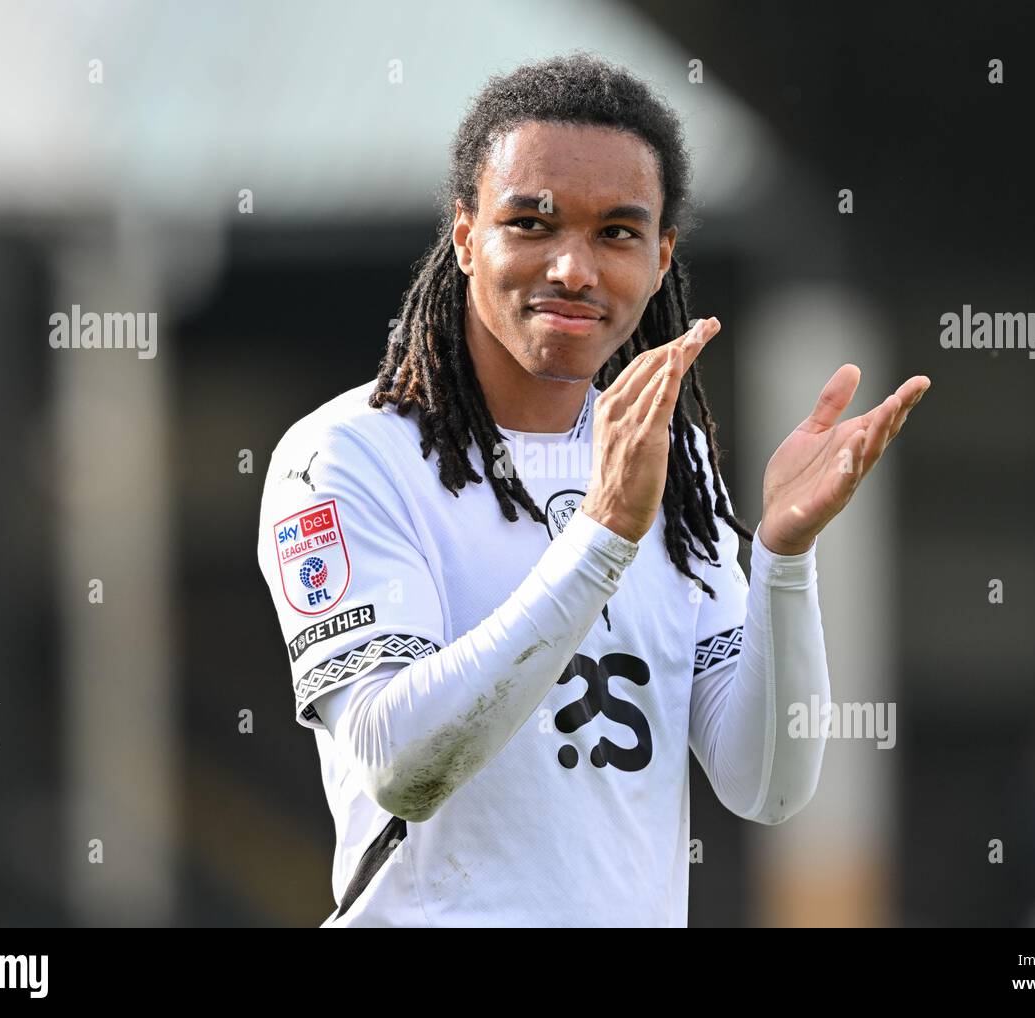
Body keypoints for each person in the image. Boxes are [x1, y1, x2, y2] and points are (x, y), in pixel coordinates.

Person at [257, 53, 929, 927]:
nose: (574, 268)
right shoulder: (345, 456)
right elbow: (401, 763)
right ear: (464, 236)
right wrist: (604, 535)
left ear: (661, 259)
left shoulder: (670, 458)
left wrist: (783, 559)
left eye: (617, 232)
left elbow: (766, 783)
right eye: (532, 224)